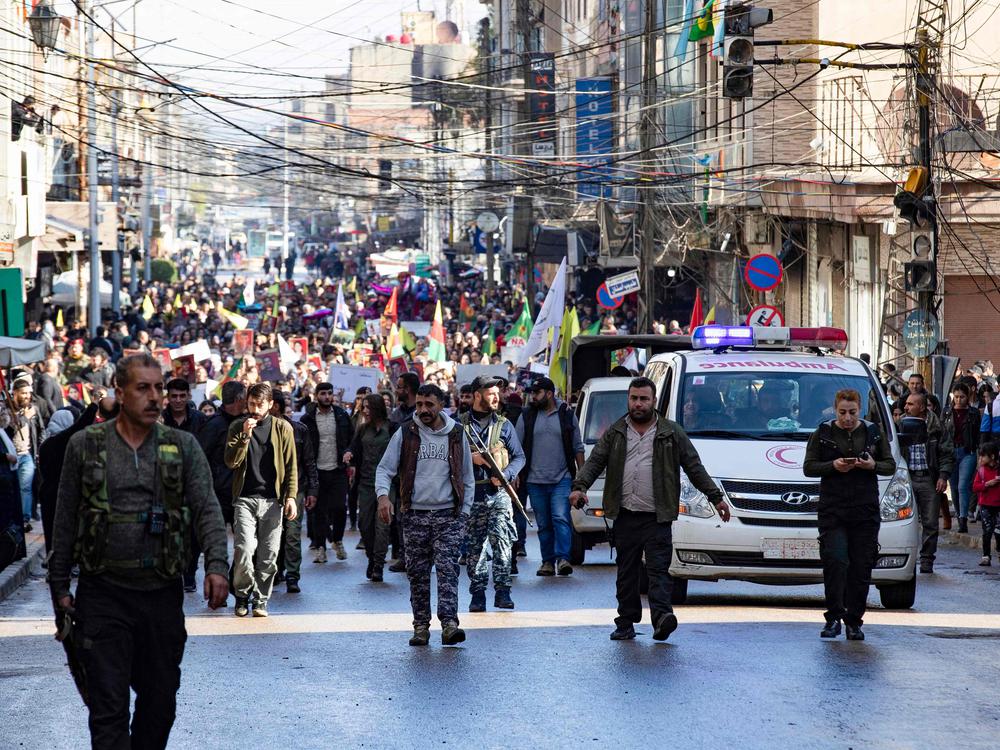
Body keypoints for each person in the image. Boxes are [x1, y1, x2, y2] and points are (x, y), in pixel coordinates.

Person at [48, 353, 229, 749]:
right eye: (142, 388)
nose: (154, 397)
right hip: (103, 594)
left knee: (159, 705)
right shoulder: (85, 445)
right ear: (120, 393)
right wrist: (59, 587)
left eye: (159, 388)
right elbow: (63, 519)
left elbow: (207, 508)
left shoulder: (182, 447)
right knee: (108, 709)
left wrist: (217, 564)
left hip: (160, 595)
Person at [569, 377, 731, 641]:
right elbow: (595, 460)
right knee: (627, 573)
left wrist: (716, 498)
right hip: (625, 516)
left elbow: (694, 467)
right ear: (628, 400)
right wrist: (580, 487)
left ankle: (662, 618)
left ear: (654, 401)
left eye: (644, 399)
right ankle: (625, 622)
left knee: (658, 571)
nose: (638, 404)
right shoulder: (616, 431)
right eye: (634, 398)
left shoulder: (671, 432)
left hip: (657, 518)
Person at [374, 384, 474, 646]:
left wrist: (464, 513)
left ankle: (450, 624)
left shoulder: (456, 433)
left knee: (447, 570)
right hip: (415, 515)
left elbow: (467, 477)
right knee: (417, 574)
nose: (423, 410)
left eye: (429, 404)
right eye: (419, 404)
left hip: (448, 516)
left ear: (442, 404)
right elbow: (385, 469)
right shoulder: (406, 432)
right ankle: (421, 626)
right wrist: (383, 496)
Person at [803, 389, 896, 641]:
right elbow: (808, 467)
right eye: (842, 412)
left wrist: (871, 465)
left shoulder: (873, 432)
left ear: (860, 410)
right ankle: (833, 617)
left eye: (852, 413)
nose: (847, 418)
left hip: (864, 509)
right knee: (836, 560)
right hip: (833, 508)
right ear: (835, 410)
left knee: (861, 565)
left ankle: (854, 621)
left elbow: (890, 464)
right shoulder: (822, 433)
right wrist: (833, 466)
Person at [224, 383, 298, 617]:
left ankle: (260, 600)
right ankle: (242, 595)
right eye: (251, 404)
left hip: (272, 501)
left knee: (268, 555)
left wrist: (291, 497)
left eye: (259, 404)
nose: (255, 409)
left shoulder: (283, 428)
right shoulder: (238, 426)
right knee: (244, 549)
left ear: (270, 405)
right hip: (245, 498)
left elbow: (291, 466)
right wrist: (245, 435)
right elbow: (231, 461)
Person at [459, 376, 525, 611]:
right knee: (475, 547)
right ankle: (478, 594)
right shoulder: (460, 426)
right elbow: (450, 460)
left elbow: (519, 457)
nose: (497, 397)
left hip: (498, 493)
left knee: (503, 543)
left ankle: (503, 592)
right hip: (473, 494)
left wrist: (506, 475)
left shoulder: (504, 425)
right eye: (491, 393)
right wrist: (470, 458)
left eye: (498, 393)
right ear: (477, 395)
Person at [516, 376, 584, 576]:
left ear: (549, 394)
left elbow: (577, 447)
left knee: (560, 518)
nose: (533, 397)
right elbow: (517, 448)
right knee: (544, 523)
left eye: (536, 393)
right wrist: (515, 474)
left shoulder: (566, 414)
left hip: (562, 479)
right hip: (534, 481)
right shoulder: (526, 416)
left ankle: (563, 558)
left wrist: (581, 481)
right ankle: (547, 562)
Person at [899, 392, 954, 574]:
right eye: (906, 404)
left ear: (921, 407)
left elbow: (946, 453)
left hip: (929, 480)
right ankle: (905, 558)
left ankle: (927, 559)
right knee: (904, 521)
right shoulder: (900, 425)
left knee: (930, 522)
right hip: (906, 479)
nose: (906, 407)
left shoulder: (936, 428)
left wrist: (943, 476)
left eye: (910, 404)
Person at [345, 393, 396, 582]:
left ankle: (378, 565)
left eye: (368, 407)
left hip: (388, 484)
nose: (364, 411)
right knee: (364, 525)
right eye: (363, 407)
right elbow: (353, 447)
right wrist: (349, 454)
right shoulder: (362, 429)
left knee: (382, 526)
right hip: (366, 483)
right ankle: (371, 558)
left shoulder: (392, 428)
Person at [300, 382, 353, 563]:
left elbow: (350, 439)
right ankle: (321, 547)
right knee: (319, 511)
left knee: (339, 507)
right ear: (316, 396)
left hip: (338, 469)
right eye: (323, 393)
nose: (327, 397)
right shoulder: (307, 419)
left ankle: (337, 540)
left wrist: (348, 453)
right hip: (317, 471)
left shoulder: (341, 415)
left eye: (330, 393)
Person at [271, 390, 317, 593]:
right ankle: (276, 570)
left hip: (294, 488)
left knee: (292, 533)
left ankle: (292, 575)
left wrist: (312, 490)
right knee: (272, 534)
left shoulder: (299, 430)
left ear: (276, 406)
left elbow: (308, 461)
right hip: (270, 490)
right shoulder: (260, 429)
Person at [197, 381, 247, 528]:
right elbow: (201, 458)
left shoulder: (247, 422)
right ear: (238, 399)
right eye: (244, 397)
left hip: (244, 493)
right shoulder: (213, 425)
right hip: (219, 494)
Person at [7, 376, 45, 528]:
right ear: (14, 393)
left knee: (26, 487)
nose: (27, 396)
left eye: (29, 393)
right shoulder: (6, 409)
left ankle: (25, 519)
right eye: (23, 393)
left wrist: (40, 451)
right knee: (11, 489)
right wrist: (23, 418)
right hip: (10, 456)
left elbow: (41, 430)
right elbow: (8, 429)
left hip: (27, 455)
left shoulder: (32, 410)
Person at [945, 382, 980, 533]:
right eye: (956, 397)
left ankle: (963, 519)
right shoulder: (947, 412)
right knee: (953, 487)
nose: (959, 400)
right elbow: (942, 433)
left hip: (968, 452)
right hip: (950, 452)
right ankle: (959, 514)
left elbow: (978, 434)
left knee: (962, 485)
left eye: (962, 397)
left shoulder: (973, 413)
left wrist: (978, 454)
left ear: (968, 397)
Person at [972, 442, 1000, 566]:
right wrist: (987, 484)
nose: (980, 459)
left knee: (999, 531)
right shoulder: (981, 471)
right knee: (987, 531)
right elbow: (975, 487)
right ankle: (986, 555)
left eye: (983, 456)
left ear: (992, 457)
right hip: (986, 505)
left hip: (998, 505)